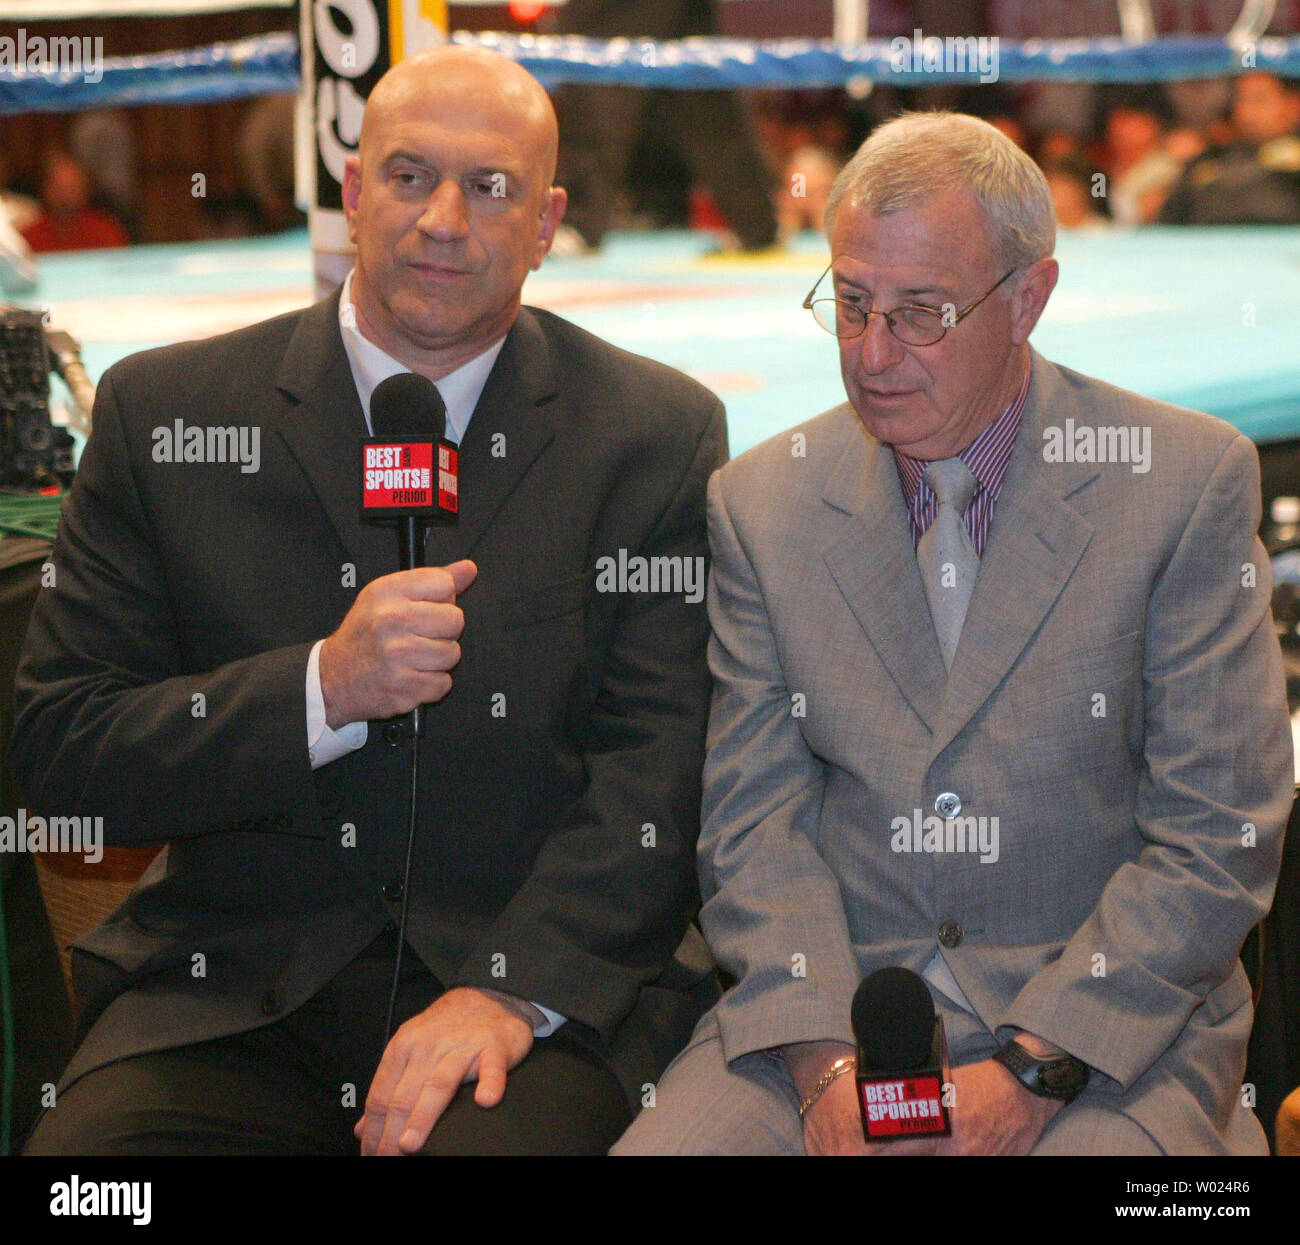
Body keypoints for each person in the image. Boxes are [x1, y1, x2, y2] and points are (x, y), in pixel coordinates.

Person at [14, 45, 725, 1156]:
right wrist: (321, 690)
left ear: (546, 223)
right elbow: (64, 758)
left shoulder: (651, 436)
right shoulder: (166, 414)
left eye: (489, 187)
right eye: (407, 175)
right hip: (229, 995)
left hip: (518, 1002)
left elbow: (659, 776)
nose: (444, 218)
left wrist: (509, 992)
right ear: (349, 194)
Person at [615, 111, 1291, 1156]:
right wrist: (826, 1068)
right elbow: (752, 829)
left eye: (920, 313)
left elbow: (1216, 836)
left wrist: (1032, 1068)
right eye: (849, 303)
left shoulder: (1182, 482)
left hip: (1110, 1038)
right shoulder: (761, 503)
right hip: (825, 1021)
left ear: (1028, 298)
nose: (871, 352)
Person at [1159, 73, 1300, 225]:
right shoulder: (1210, 159)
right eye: (1240, 100)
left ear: (1293, 105)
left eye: (1259, 100)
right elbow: (1169, 221)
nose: (1246, 113)